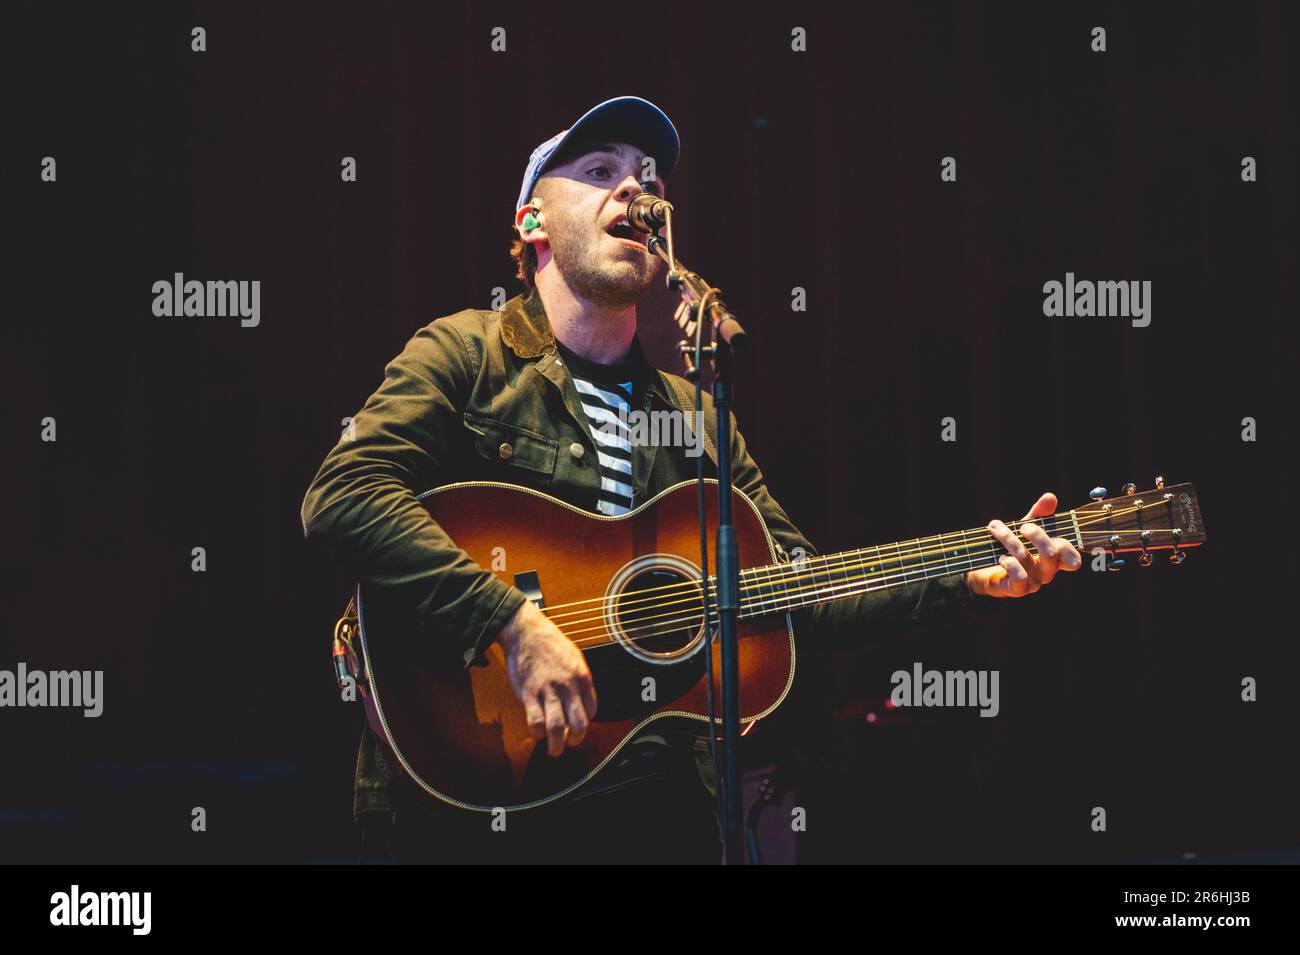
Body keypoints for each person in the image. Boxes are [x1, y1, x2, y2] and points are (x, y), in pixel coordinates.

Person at [300, 95, 1082, 863]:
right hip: (469, 804)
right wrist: (512, 622)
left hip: (657, 809)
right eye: (601, 169)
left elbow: (798, 587)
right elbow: (342, 495)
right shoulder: (466, 354)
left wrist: (966, 577)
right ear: (532, 222)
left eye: (649, 177)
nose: (634, 188)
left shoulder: (698, 417)